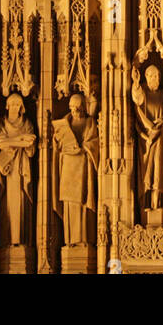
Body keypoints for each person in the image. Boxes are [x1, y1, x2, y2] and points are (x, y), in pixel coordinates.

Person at [52, 93, 99, 245]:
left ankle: (83, 240)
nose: (74, 111)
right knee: (69, 204)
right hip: (67, 166)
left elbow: (94, 142)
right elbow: (57, 144)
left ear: (83, 108)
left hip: (82, 167)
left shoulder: (89, 122)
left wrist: (83, 147)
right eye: (72, 108)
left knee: (82, 204)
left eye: (77, 108)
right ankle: (70, 240)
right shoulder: (65, 122)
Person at [0, 92, 36, 246]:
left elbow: (31, 146)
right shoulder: (1, 123)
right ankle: (10, 240)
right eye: (11, 104)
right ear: (7, 106)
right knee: (8, 203)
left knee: (22, 203)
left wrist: (12, 142)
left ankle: (20, 240)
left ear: (21, 107)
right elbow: (0, 143)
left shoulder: (27, 124)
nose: (14, 107)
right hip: (8, 169)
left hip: (22, 167)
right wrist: (20, 140)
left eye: (17, 105)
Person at [132, 64, 163, 212]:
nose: (156, 79)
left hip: (161, 137)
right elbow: (138, 100)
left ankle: (159, 205)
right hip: (146, 139)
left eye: (158, 76)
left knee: (159, 171)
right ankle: (146, 205)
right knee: (147, 171)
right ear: (147, 77)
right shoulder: (142, 90)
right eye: (153, 76)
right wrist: (136, 83)